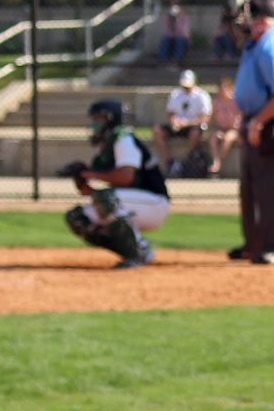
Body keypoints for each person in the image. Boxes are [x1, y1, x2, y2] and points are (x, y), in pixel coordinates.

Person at [59, 99, 169, 269]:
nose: (93, 123)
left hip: (153, 203)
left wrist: (87, 173)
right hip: (131, 203)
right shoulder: (107, 146)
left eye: (98, 118)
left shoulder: (123, 139)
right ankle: (133, 250)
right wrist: (80, 179)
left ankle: (138, 252)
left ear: (111, 119)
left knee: (107, 199)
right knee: (78, 218)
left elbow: (126, 177)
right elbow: (94, 193)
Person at [232, 0, 274, 265]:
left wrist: (258, 122)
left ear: (262, 20)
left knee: (270, 186)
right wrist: (245, 120)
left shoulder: (273, 46)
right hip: (254, 118)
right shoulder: (254, 44)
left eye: (248, 17)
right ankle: (255, 244)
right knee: (250, 187)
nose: (242, 23)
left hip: (271, 120)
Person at [154, 68, 213, 170]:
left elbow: (206, 117)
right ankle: (169, 161)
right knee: (157, 131)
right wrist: (174, 121)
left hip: (192, 127)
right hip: (177, 127)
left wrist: (188, 123)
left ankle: (186, 161)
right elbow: (170, 113)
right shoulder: (175, 94)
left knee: (195, 132)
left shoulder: (202, 96)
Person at [208, 75, 242, 176]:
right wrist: (208, 129)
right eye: (220, 88)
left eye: (224, 88)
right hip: (221, 128)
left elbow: (241, 116)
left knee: (227, 138)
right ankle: (216, 161)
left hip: (234, 129)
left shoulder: (235, 101)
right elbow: (212, 117)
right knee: (213, 138)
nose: (222, 91)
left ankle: (218, 163)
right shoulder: (216, 101)